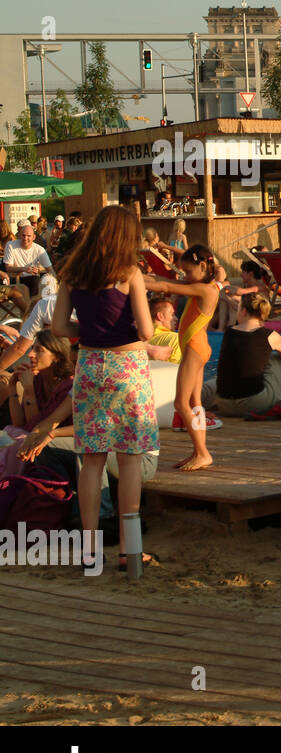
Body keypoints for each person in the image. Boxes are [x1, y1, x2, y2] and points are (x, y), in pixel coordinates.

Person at [53, 205, 158, 571]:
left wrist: (91, 333)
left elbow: (59, 329)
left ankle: (89, 552)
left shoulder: (73, 273)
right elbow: (146, 331)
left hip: (89, 367)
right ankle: (131, 552)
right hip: (127, 368)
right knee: (129, 458)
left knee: (92, 459)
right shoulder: (130, 273)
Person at [144, 245, 224, 470]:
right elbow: (164, 279)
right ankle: (199, 451)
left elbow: (167, 286)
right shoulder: (202, 285)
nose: (186, 277)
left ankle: (202, 452)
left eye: (188, 272)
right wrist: (141, 276)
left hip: (194, 349)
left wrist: (137, 283)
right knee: (195, 402)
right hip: (199, 348)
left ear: (202, 266)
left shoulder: (206, 290)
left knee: (181, 402)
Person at [197, 294, 281, 418]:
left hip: (224, 404)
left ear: (243, 311)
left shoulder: (229, 332)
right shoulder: (270, 335)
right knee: (278, 360)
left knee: (221, 379)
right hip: (254, 404)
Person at [0, 329, 75, 476]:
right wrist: (12, 387)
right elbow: (19, 424)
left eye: (38, 350)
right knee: (9, 433)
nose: (30, 354)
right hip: (31, 437)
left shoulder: (68, 386)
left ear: (57, 357)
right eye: (32, 348)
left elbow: (37, 429)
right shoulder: (39, 378)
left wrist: (29, 391)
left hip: (59, 446)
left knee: (15, 440)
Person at [4, 222, 53, 299]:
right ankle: (31, 307)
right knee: (35, 280)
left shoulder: (39, 249)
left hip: (33, 279)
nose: (25, 238)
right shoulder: (10, 245)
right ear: (19, 235)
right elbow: (8, 267)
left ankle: (32, 306)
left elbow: (50, 270)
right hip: (15, 278)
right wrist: (24, 269)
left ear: (34, 237)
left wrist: (54, 284)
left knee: (39, 280)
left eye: (28, 236)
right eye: (23, 235)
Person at [143, 296, 183, 364]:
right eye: (172, 314)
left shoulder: (138, 340)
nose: (176, 318)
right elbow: (176, 371)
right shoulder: (176, 339)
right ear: (160, 316)